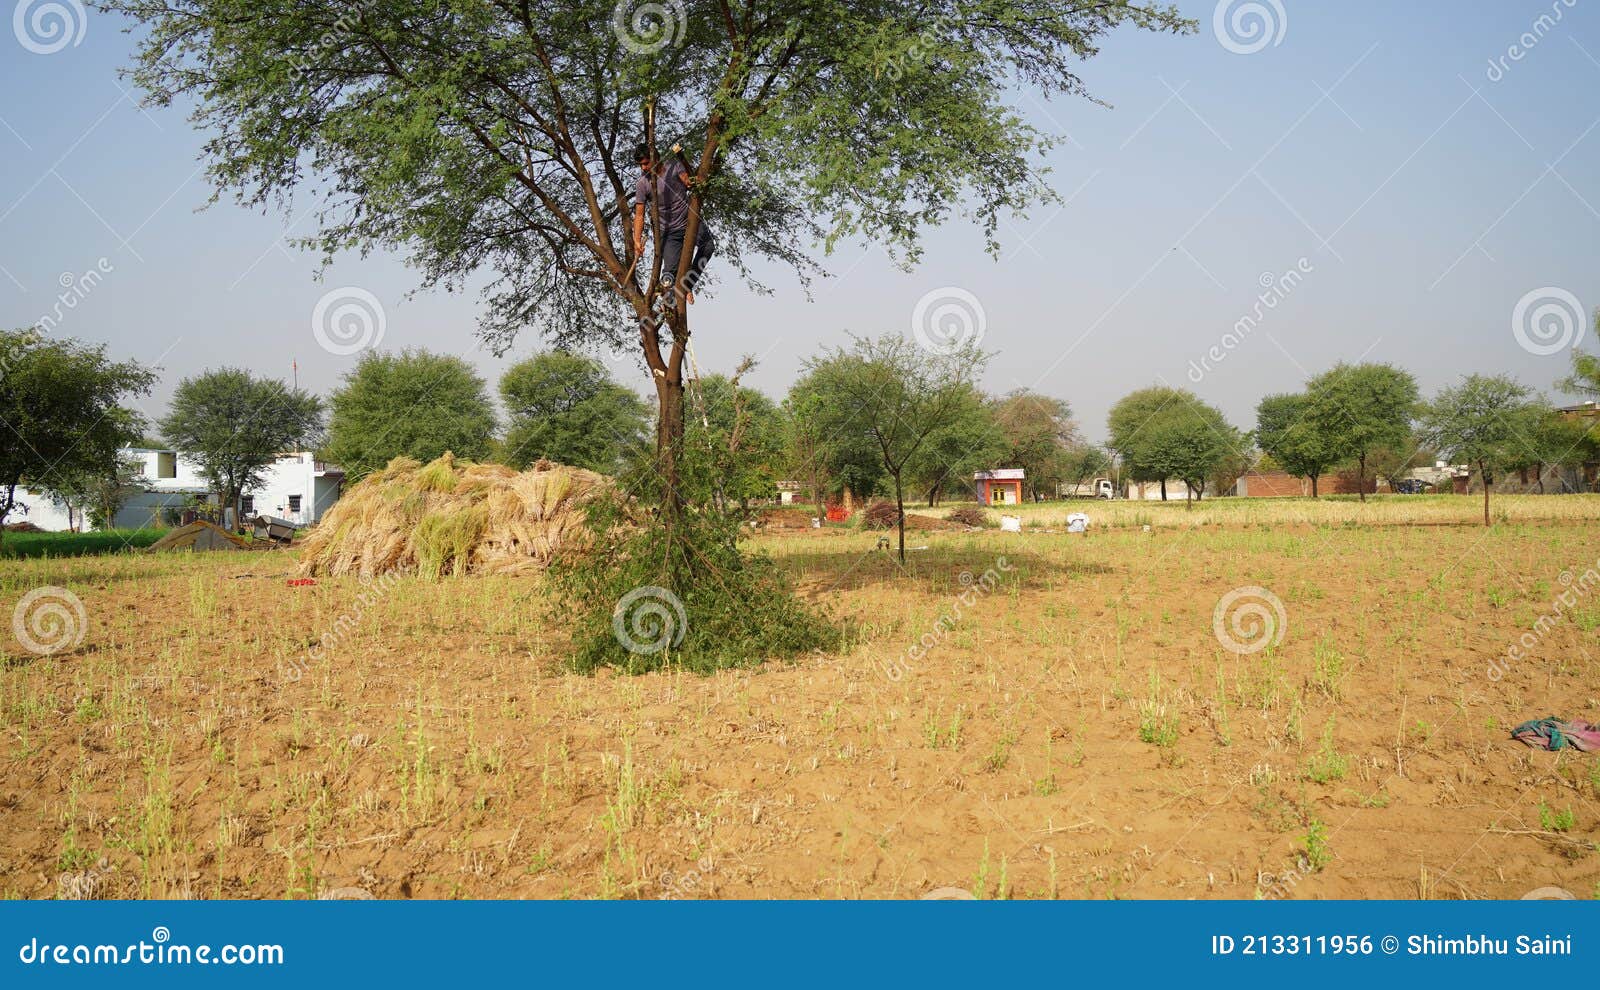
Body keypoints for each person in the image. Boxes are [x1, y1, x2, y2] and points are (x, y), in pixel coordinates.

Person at [632, 142, 715, 304]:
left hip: (689, 221)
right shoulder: (643, 184)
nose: (643, 168)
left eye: (645, 163)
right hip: (668, 232)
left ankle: (687, 286)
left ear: (655, 158)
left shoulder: (674, 167)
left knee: (709, 246)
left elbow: (688, 182)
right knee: (669, 273)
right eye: (640, 165)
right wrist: (636, 239)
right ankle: (668, 302)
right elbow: (639, 215)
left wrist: (692, 181)